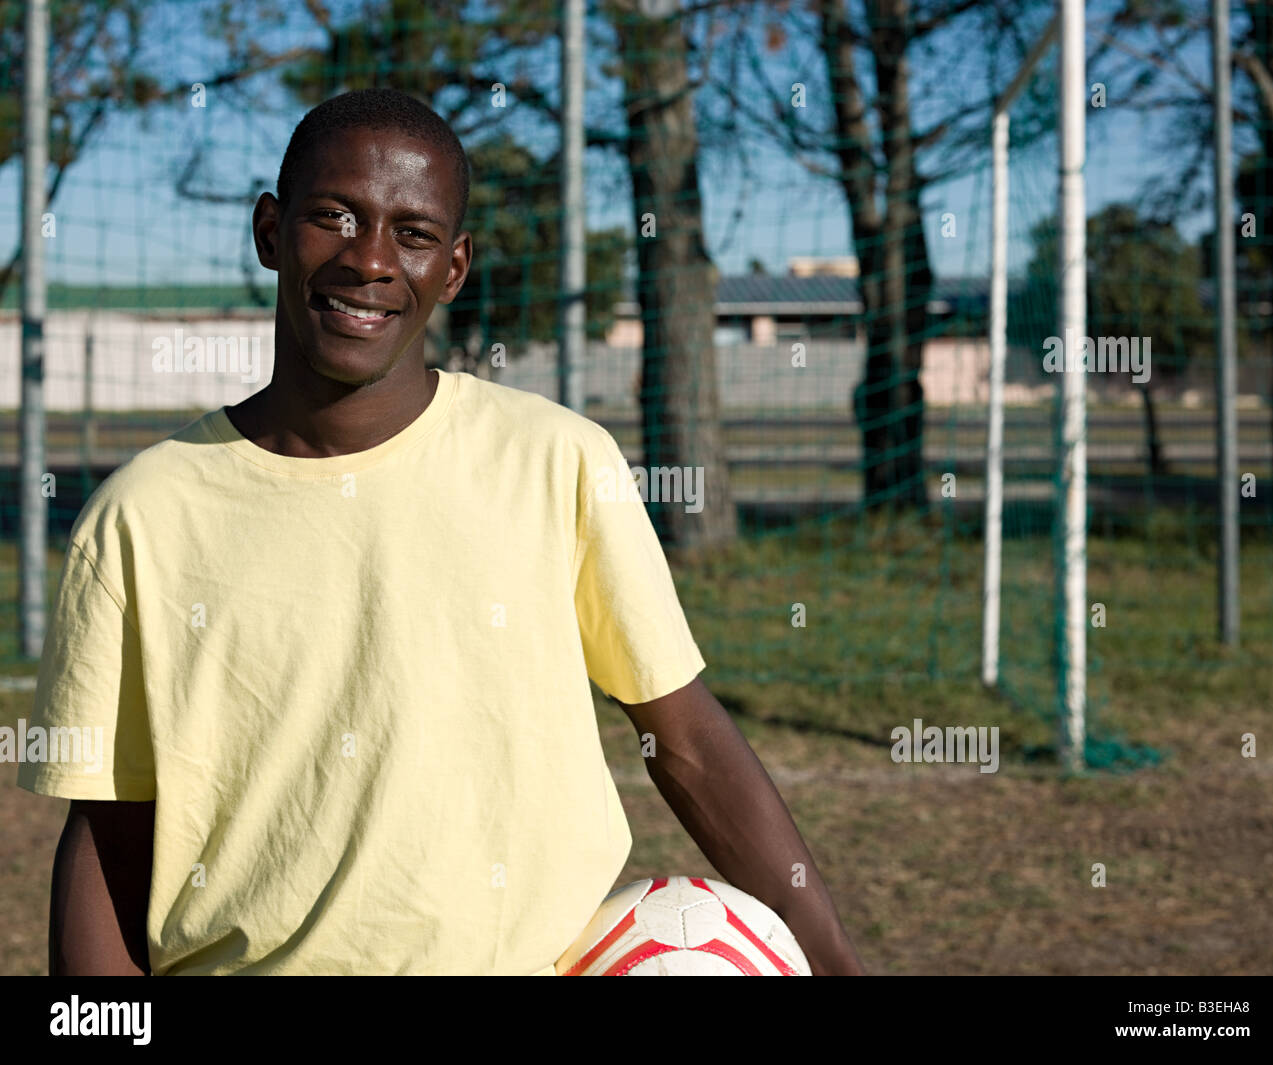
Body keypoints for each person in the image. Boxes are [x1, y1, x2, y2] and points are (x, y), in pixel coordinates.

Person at [18, 88, 864, 976]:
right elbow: (110, 830)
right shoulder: (143, 514)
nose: (369, 260)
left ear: (453, 268)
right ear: (271, 230)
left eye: (412, 233)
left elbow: (683, 734)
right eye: (334, 216)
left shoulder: (558, 460)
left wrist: (838, 963)